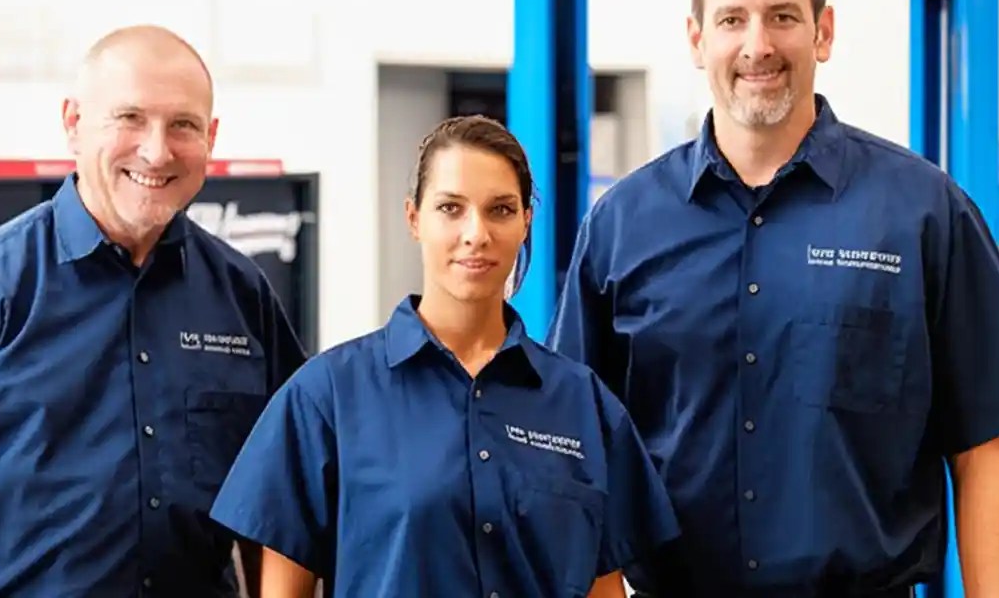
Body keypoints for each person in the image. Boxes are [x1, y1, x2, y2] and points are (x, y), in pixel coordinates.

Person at [548, 0, 999, 598]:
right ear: (697, 38)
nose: (757, 45)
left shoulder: (921, 213)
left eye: (783, 17)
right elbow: (584, 455)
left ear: (823, 32)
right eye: (732, 18)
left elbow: (984, 453)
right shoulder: (623, 224)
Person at [0, 24, 308, 597]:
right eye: (129, 118)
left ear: (210, 136)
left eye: (182, 125)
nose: (157, 151)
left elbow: (274, 502)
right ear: (73, 124)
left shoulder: (241, 293)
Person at [208, 115, 680, 598]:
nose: (476, 233)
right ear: (414, 218)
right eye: (451, 208)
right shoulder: (325, 397)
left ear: (525, 223)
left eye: (500, 209)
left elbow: (603, 588)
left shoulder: (584, 405)